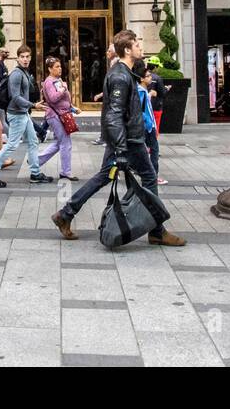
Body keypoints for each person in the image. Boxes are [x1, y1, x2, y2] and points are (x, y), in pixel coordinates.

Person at [51, 30, 185, 247]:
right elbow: (114, 115)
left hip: (124, 140)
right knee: (149, 177)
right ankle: (157, 231)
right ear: (127, 50)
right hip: (129, 141)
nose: (140, 47)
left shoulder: (124, 74)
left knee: (104, 176)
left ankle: (66, 214)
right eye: (137, 44)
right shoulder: (121, 76)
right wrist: (122, 149)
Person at [0, 45, 49, 185]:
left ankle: (35, 173)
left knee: (33, 141)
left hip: (23, 113)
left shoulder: (24, 72)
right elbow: (15, 97)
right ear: (18, 58)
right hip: (17, 114)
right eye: (22, 57)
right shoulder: (17, 74)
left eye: (27, 57)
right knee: (12, 144)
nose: (25, 59)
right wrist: (33, 105)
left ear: (30, 58)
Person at [37, 56, 78, 181]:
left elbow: (64, 99)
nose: (60, 69)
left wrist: (72, 108)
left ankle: (36, 161)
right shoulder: (49, 82)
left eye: (60, 66)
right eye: (56, 67)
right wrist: (64, 89)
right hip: (55, 115)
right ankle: (66, 172)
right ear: (50, 69)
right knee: (65, 143)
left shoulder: (58, 80)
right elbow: (54, 98)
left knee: (60, 142)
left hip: (61, 114)